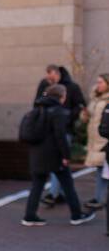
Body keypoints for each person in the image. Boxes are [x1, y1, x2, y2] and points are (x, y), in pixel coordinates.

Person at [22, 83, 94, 226]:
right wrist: (66, 156)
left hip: (37, 153)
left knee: (37, 185)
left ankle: (29, 216)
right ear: (61, 96)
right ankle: (76, 215)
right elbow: (60, 136)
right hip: (55, 155)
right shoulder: (58, 112)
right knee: (68, 184)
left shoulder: (38, 108)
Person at [33, 63, 86, 206]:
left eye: (51, 76)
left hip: (64, 129)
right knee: (60, 165)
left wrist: (69, 116)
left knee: (60, 163)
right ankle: (60, 196)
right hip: (48, 131)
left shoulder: (71, 88)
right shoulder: (46, 87)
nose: (50, 79)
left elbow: (80, 104)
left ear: (57, 73)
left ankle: (54, 194)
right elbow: (37, 104)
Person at [82, 73, 109, 211]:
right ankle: (98, 197)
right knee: (101, 171)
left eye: (101, 82)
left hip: (104, 141)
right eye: (97, 82)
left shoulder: (107, 101)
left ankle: (100, 198)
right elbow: (87, 119)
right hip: (94, 140)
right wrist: (85, 114)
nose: (98, 85)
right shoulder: (96, 99)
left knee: (103, 171)